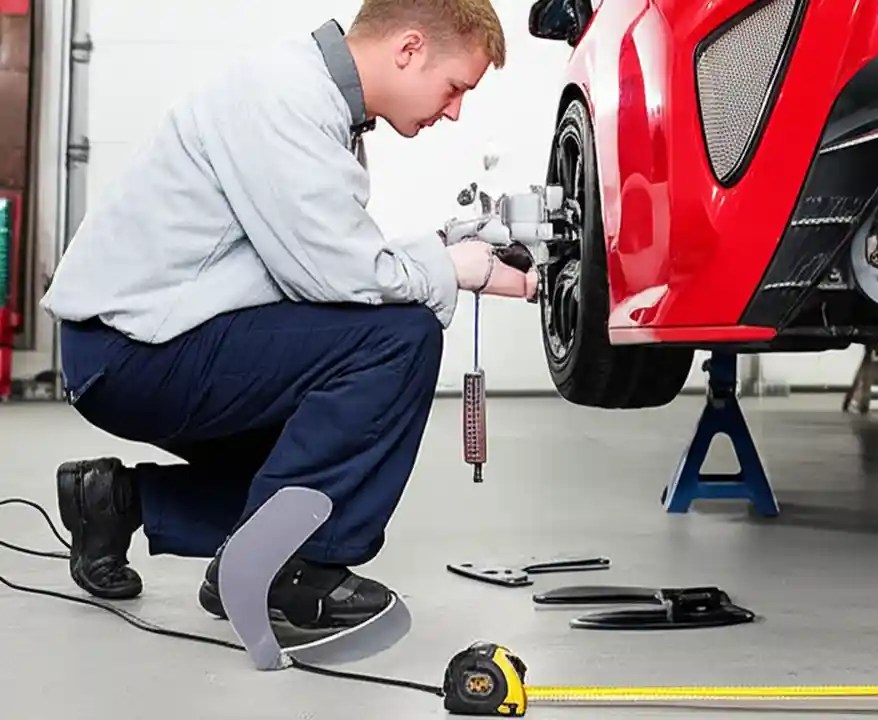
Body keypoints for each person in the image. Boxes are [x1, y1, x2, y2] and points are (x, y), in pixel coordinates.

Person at [39, 0, 533, 631]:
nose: (456, 109)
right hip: (129, 352)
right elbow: (338, 276)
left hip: (144, 342)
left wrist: (445, 253)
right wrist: (464, 269)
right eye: (456, 86)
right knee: (400, 341)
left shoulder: (314, 100)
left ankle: (117, 502)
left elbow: (338, 257)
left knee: (315, 463)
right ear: (409, 49)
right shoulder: (284, 98)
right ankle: (288, 568)